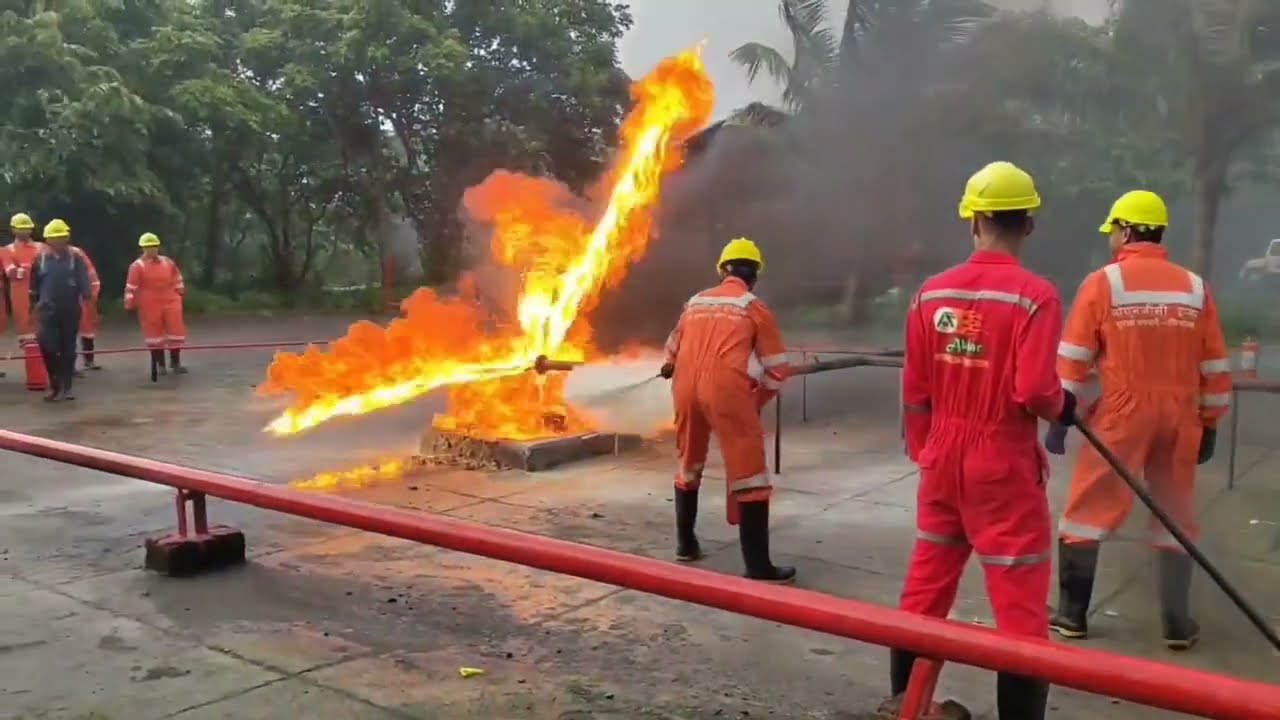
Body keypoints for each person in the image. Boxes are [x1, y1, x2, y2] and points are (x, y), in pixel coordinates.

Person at [889, 161, 1076, 720]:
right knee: (1018, 605)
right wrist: (1064, 407)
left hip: (942, 457)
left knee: (926, 586)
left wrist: (926, 448)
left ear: (973, 222)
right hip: (1002, 463)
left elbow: (915, 389)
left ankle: (906, 705)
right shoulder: (1034, 296)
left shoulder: (929, 293)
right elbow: (1035, 389)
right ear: (1029, 225)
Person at [1047, 190, 1230, 651]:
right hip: (1181, 414)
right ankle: (1175, 623)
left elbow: (1074, 356)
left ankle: (1071, 615)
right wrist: (1209, 421)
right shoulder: (1194, 287)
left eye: (1113, 231)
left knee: (1089, 511)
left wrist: (1059, 413)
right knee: (1175, 512)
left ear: (1127, 230)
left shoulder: (1104, 283)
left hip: (1123, 413)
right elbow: (1213, 364)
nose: (1112, 239)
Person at [660, 237, 795, 583]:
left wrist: (670, 364)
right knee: (749, 472)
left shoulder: (696, 302)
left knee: (688, 462)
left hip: (685, 387)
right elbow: (778, 369)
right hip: (727, 390)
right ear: (754, 275)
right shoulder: (752, 306)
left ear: (723, 270)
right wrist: (754, 402)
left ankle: (685, 545)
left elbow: (672, 347)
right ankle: (757, 565)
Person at [31, 219, 92, 401]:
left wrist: (86, 296)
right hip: (47, 309)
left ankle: (66, 387)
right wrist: (33, 303)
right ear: (48, 240)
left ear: (67, 237)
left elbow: (85, 283)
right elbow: (33, 285)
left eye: (61, 237)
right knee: (47, 345)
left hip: (70, 309)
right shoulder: (40, 258)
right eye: (54, 238)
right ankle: (54, 383)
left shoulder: (75, 257)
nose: (58, 242)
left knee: (68, 348)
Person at [124, 232, 187, 375]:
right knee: (154, 335)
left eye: (154, 246)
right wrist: (129, 303)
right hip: (149, 303)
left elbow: (177, 276)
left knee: (176, 332)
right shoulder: (137, 266)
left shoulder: (167, 262)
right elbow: (131, 287)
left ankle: (175, 362)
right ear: (143, 248)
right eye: (148, 247)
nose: (151, 249)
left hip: (170, 299)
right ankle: (160, 365)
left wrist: (179, 291)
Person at [5, 212, 46, 354]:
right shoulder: (7, 250)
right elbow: (10, 272)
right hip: (19, 297)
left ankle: (52, 367)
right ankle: (34, 368)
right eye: (20, 228)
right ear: (13, 229)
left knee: (46, 330)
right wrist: (29, 269)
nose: (24, 231)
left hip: (43, 293)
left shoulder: (42, 247)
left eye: (27, 228)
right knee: (25, 334)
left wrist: (24, 269)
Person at [70, 240, 102, 372]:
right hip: (61, 298)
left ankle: (89, 360)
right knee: (65, 333)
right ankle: (69, 366)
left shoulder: (77, 253)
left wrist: (92, 293)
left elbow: (90, 274)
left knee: (87, 330)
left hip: (82, 297)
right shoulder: (47, 253)